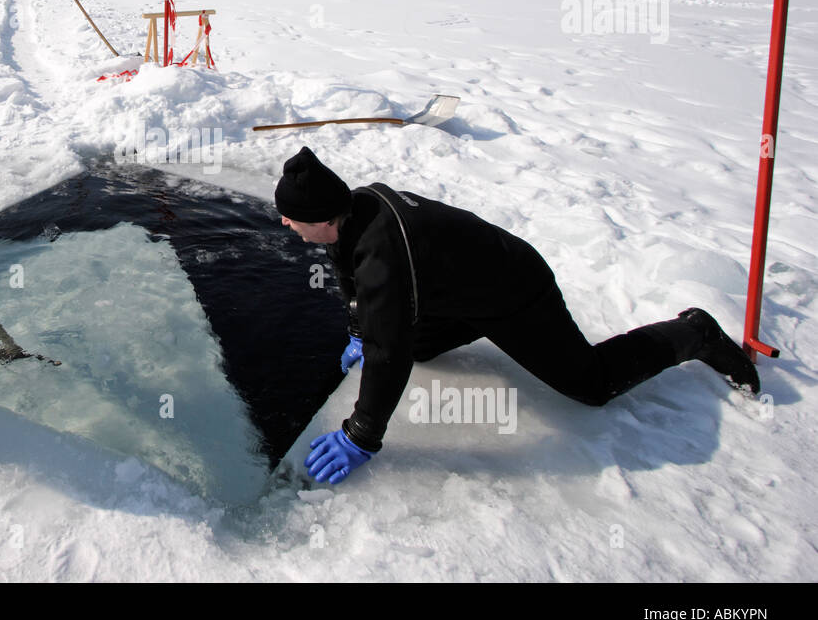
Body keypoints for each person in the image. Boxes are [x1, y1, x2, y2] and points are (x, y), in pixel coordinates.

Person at [274, 146, 761, 486]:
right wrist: (361, 328)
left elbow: (388, 354)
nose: (283, 223)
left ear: (320, 219)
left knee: (591, 384)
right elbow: (348, 275)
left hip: (514, 293)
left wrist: (361, 435)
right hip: (458, 286)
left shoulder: (382, 256)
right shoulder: (353, 209)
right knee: (418, 344)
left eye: (290, 218)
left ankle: (693, 332)